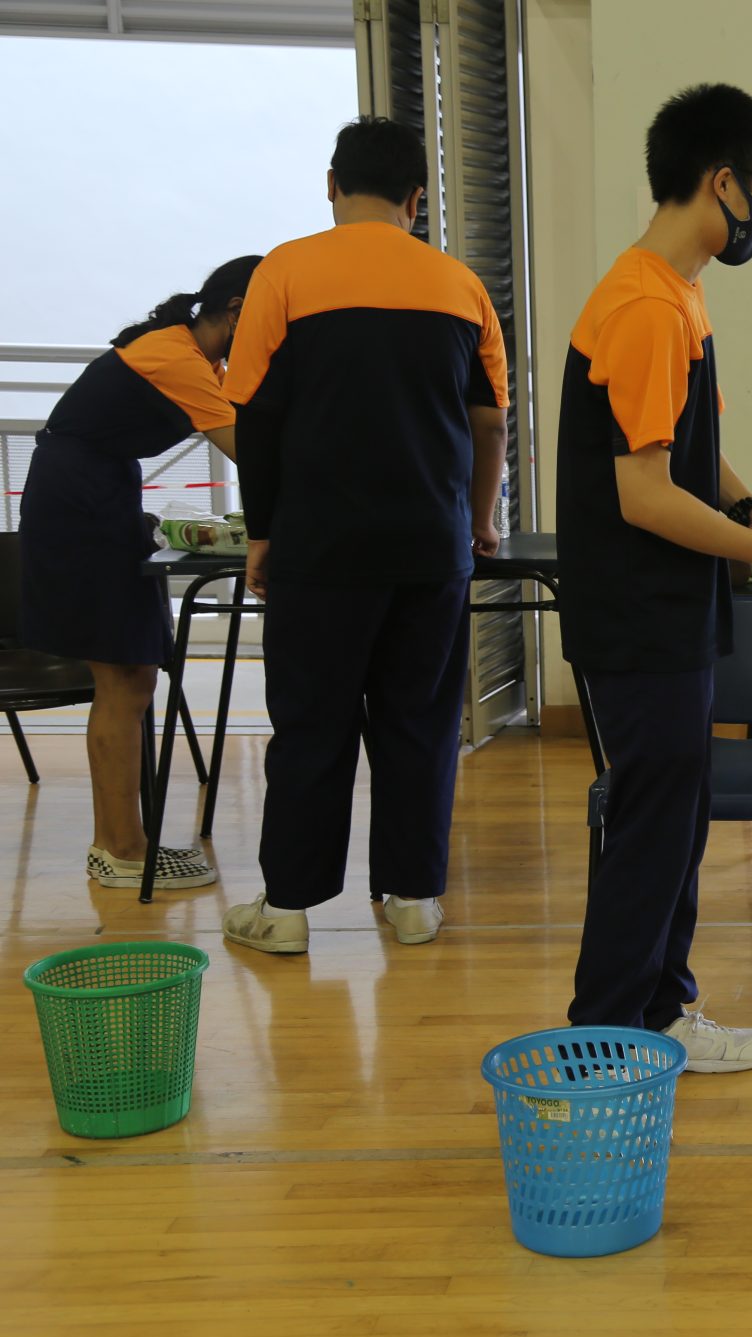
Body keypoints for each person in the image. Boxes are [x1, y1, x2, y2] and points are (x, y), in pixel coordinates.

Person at [556, 84, 752, 1071]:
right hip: (639, 616)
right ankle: (610, 1036)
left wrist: (748, 506)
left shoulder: (672, 294)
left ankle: (660, 1010)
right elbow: (642, 494)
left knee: (671, 823)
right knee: (652, 830)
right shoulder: (644, 304)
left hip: (664, 612)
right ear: (719, 182)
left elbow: (681, 453)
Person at [219, 117, 509, 954]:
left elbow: (258, 417)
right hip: (431, 546)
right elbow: (488, 423)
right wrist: (481, 518)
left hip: (319, 546)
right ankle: (413, 898)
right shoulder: (460, 286)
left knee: (312, 721)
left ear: (332, 185)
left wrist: (263, 534)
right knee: (419, 721)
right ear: (417, 200)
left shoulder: (285, 272)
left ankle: (287, 911)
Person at [17, 257, 261, 891]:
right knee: (122, 675)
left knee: (132, 674)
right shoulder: (174, 356)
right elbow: (248, 451)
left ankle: (123, 844)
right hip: (79, 502)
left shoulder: (200, 360)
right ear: (236, 311)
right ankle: (121, 850)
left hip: (99, 493)